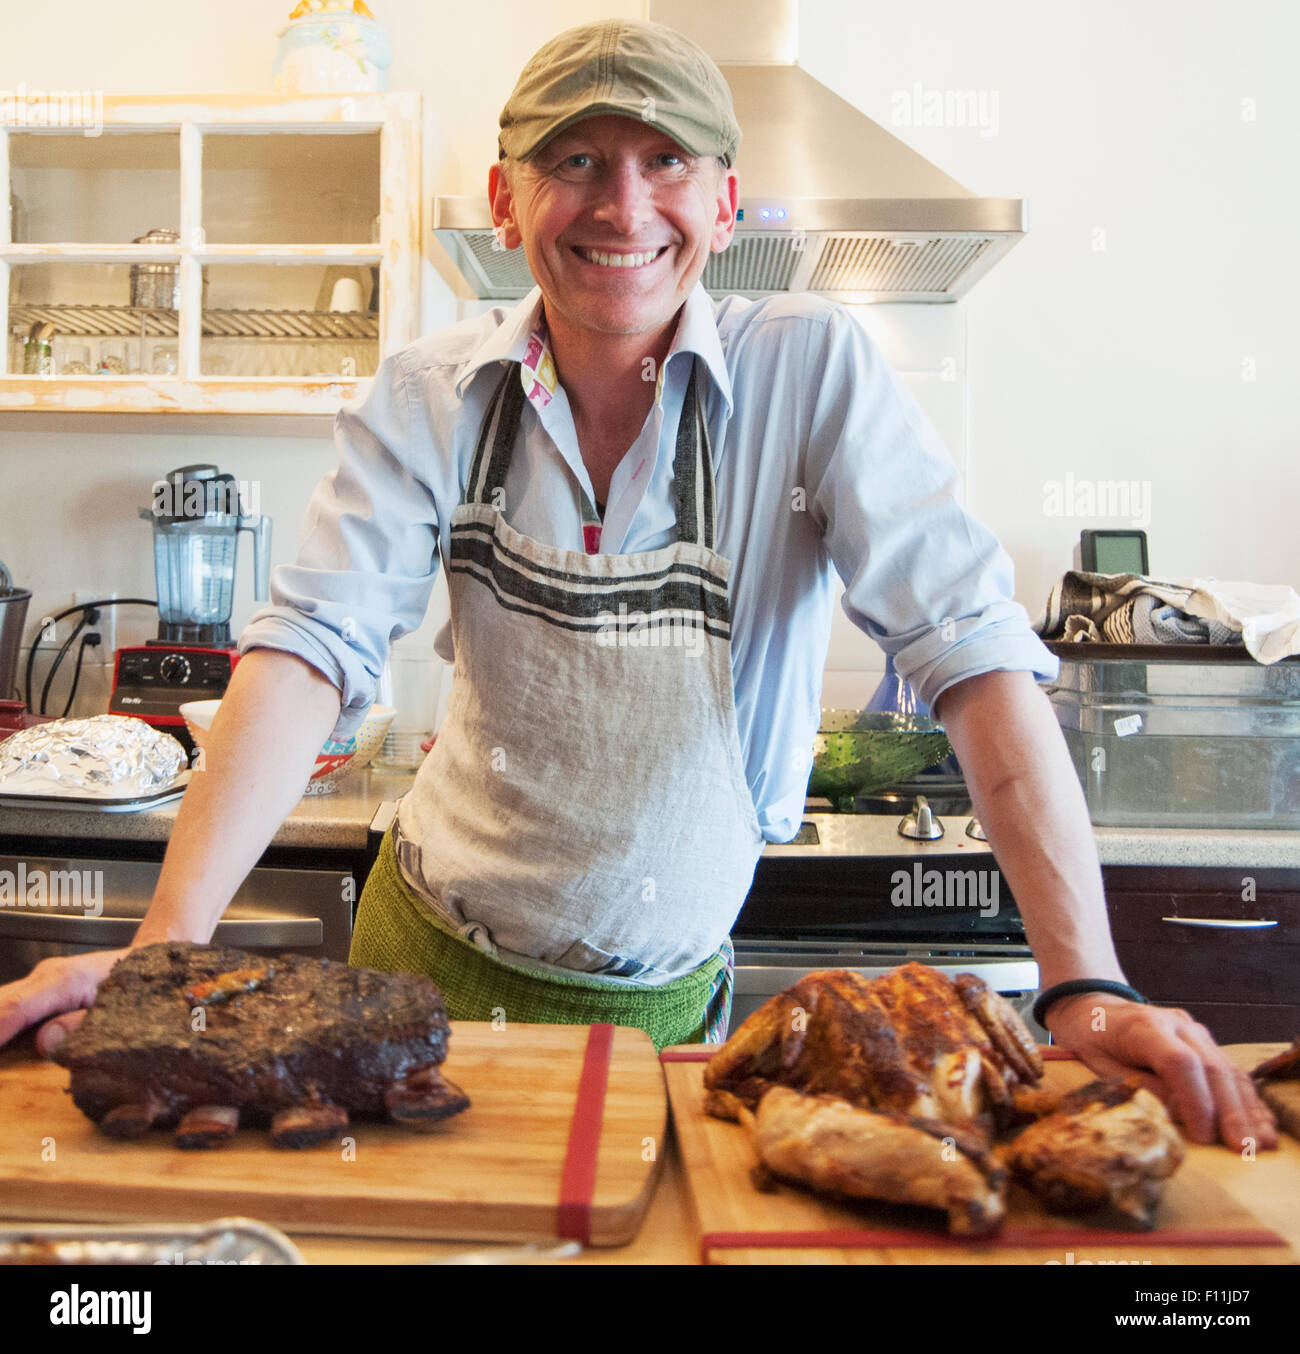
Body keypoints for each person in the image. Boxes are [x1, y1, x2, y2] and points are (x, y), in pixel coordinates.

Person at [0, 19, 1274, 1150]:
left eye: (665, 161)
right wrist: (166, 947)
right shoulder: (429, 396)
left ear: (726, 203)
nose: (623, 205)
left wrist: (1081, 984)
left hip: (661, 1002)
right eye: (576, 161)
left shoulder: (813, 374)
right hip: (418, 959)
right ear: (506, 202)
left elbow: (976, 662)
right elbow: (308, 653)